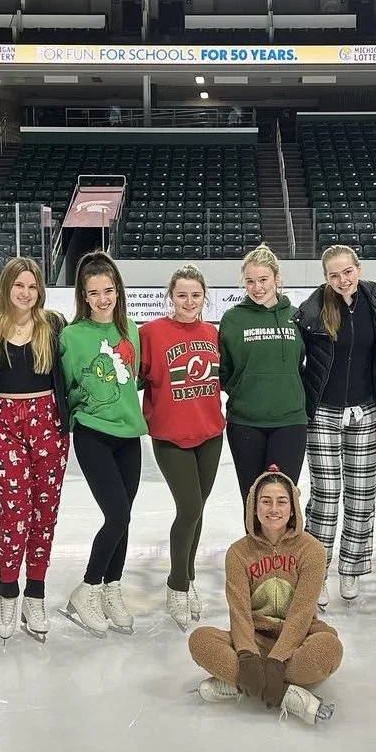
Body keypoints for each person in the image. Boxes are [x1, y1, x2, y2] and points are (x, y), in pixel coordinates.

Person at [187, 467, 341, 726]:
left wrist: (278, 661)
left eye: (282, 501)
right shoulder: (238, 552)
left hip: (299, 639)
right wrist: (247, 656)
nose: (274, 509)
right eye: (266, 501)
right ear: (253, 508)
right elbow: (239, 612)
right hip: (254, 640)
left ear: (293, 508)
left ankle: (243, 685)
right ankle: (285, 694)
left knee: (328, 649)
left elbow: (302, 614)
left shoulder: (312, 550)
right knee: (200, 641)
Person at [0, 257, 70, 644]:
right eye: (19, 286)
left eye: (32, 286)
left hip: (47, 419)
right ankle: (8, 590)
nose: (26, 293)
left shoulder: (52, 325)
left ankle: (36, 591)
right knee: (14, 510)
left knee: (45, 512)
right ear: (7, 288)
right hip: (3, 421)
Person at [58, 250, 147, 637]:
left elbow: (135, 381)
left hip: (129, 435)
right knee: (117, 514)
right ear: (83, 295)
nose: (102, 299)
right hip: (93, 433)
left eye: (108, 290)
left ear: (118, 290)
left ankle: (112, 588)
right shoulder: (71, 336)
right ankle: (88, 587)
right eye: (94, 292)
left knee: (124, 516)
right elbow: (62, 388)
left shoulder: (132, 332)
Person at [295, 245, 376, 607]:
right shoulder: (312, 311)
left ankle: (351, 567)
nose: (342, 279)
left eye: (347, 271)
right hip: (324, 411)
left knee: (362, 493)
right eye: (334, 275)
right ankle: (317, 571)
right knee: (327, 495)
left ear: (359, 269)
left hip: (365, 409)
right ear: (325, 278)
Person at [139, 264, 224, 631]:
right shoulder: (151, 333)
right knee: (189, 506)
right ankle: (176, 584)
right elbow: (133, 378)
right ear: (170, 297)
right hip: (170, 436)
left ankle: (187, 578)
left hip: (210, 434)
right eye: (181, 295)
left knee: (199, 509)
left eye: (195, 295)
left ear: (205, 297)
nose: (188, 302)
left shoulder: (212, 333)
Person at [219, 244, 307, 501]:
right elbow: (224, 370)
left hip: (290, 422)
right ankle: (253, 543)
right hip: (245, 422)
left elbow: (301, 363)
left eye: (263, 280)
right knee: (253, 499)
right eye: (250, 281)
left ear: (277, 279)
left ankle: (284, 544)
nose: (257, 287)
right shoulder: (233, 319)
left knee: (283, 500)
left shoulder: (296, 317)